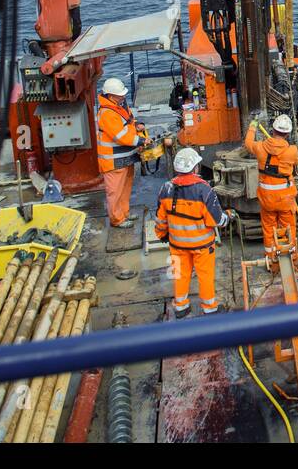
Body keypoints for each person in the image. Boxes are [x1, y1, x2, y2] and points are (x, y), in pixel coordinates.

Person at [156, 147, 229, 318]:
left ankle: (180, 306)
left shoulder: (166, 189)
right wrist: (228, 218)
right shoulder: (204, 190)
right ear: (195, 168)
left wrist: (162, 234)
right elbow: (216, 220)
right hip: (202, 246)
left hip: (177, 245)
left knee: (179, 275)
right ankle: (209, 308)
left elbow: (160, 219)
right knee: (205, 276)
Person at [244, 113, 298, 269]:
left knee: (269, 229)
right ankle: (293, 260)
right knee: (289, 229)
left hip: (267, 200)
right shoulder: (292, 151)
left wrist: (253, 125)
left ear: (273, 129)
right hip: (285, 200)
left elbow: (248, 143)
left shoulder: (260, 147)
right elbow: (297, 162)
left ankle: (272, 262)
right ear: (287, 133)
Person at [95, 77, 145, 229]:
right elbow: (120, 136)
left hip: (125, 157)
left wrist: (137, 126)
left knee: (125, 188)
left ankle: (125, 213)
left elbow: (128, 123)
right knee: (115, 192)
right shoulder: (107, 113)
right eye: (120, 95)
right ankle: (117, 220)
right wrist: (140, 141)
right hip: (113, 160)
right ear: (110, 96)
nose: (123, 96)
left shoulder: (120, 105)